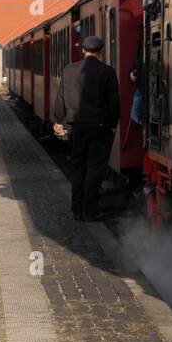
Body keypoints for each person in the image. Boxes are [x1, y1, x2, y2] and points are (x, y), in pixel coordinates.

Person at [53, 35, 120, 222]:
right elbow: (114, 103)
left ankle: (76, 209)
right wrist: (113, 124)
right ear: (101, 51)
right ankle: (90, 211)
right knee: (95, 168)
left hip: (76, 127)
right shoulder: (107, 72)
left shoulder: (68, 70)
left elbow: (60, 99)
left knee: (78, 166)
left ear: (83, 50)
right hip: (99, 127)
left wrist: (58, 120)